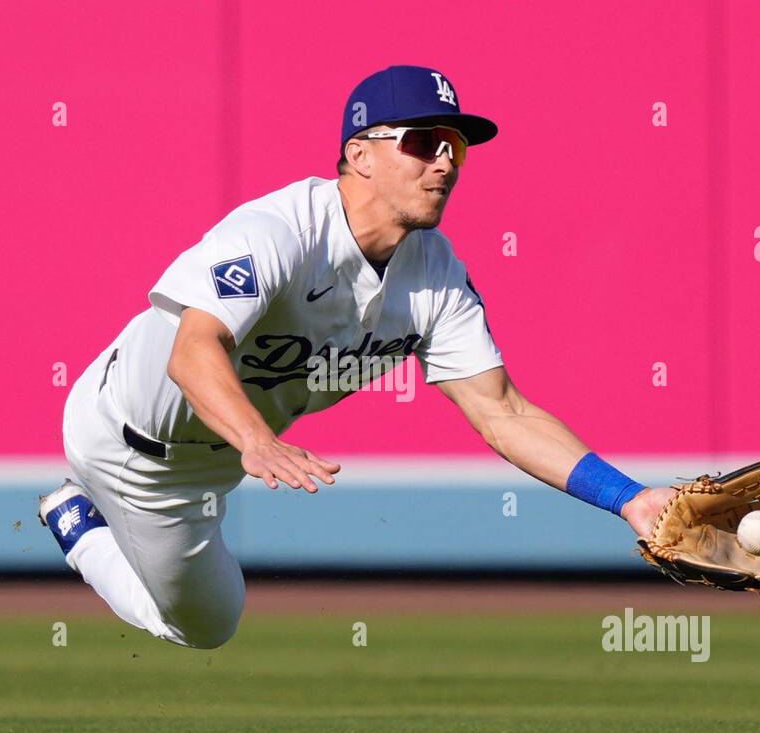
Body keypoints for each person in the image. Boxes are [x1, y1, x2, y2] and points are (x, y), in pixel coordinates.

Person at [39, 65, 676, 649]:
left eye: (454, 146)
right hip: (129, 443)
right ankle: (80, 523)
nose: (445, 163)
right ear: (358, 154)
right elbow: (193, 348)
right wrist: (257, 441)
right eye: (422, 142)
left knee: (213, 625)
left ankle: (76, 518)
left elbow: (502, 410)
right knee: (193, 627)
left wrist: (629, 500)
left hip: (214, 458)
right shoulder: (281, 231)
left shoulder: (436, 276)